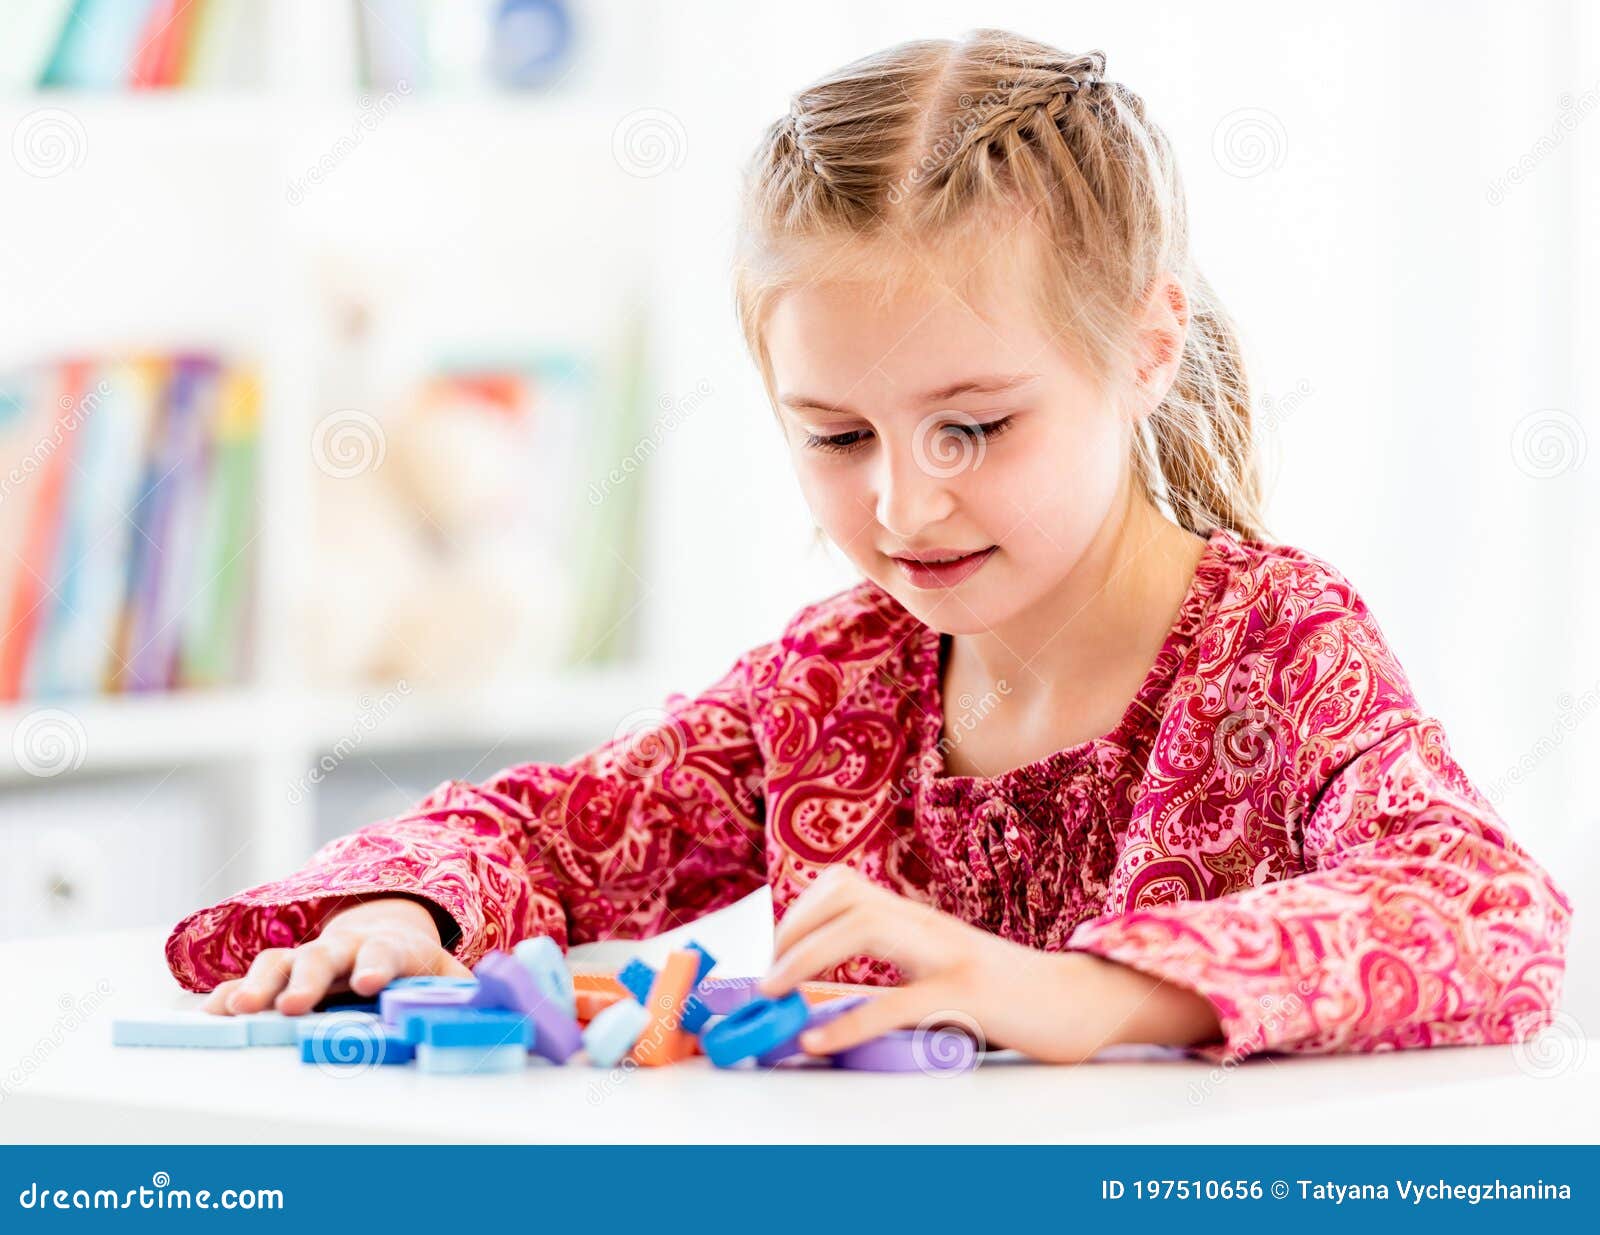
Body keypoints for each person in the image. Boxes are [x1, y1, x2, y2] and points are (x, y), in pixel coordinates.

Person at [166, 30, 1571, 1066]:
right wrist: (410, 916)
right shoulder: (839, 680)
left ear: (1146, 345)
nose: (904, 510)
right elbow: (546, 832)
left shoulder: (1273, 650)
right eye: (838, 439)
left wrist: (1089, 992)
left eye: (974, 427)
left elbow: (1488, 912)